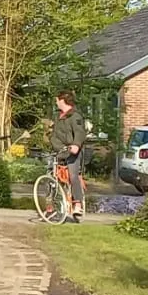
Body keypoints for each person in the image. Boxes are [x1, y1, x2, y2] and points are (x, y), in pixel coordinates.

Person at [50, 90, 90, 222]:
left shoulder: (75, 116)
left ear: (62, 100)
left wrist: (76, 145)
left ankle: (77, 204)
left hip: (73, 152)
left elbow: (79, 132)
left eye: (57, 100)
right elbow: (54, 134)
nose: (56, 103)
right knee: (51, 176)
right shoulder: (58, 117)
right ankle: (51, 206)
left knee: (73, 176)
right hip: (60, 150)